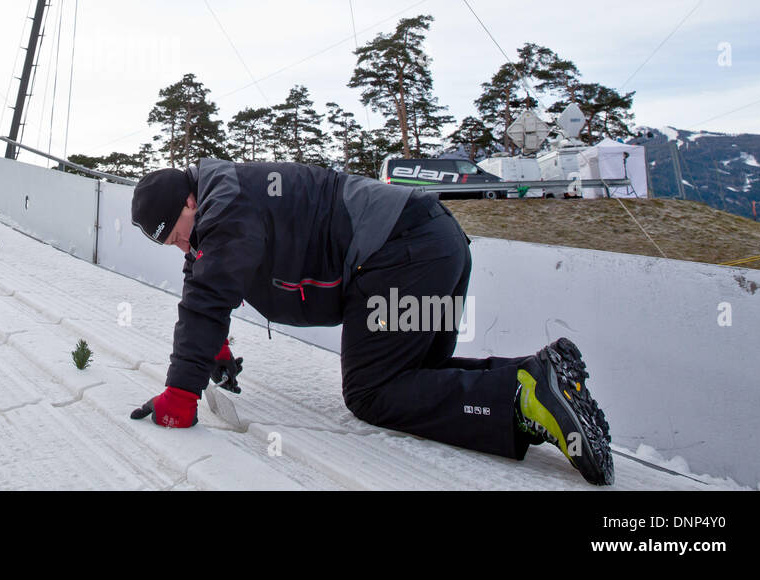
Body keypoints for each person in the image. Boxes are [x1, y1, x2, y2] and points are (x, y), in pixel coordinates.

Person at [127, 159, 614, 486]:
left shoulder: (227, 203)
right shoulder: (224, 200)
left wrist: (181, 394)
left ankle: (524, 392)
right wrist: (213, 352)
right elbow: (207, 283)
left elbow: (208, 296)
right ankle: (541, 382)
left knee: (372, 392)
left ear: (190, 204)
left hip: (402, 256)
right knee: (417, 383)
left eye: (173, 235)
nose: (178, 247)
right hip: (436, 243)